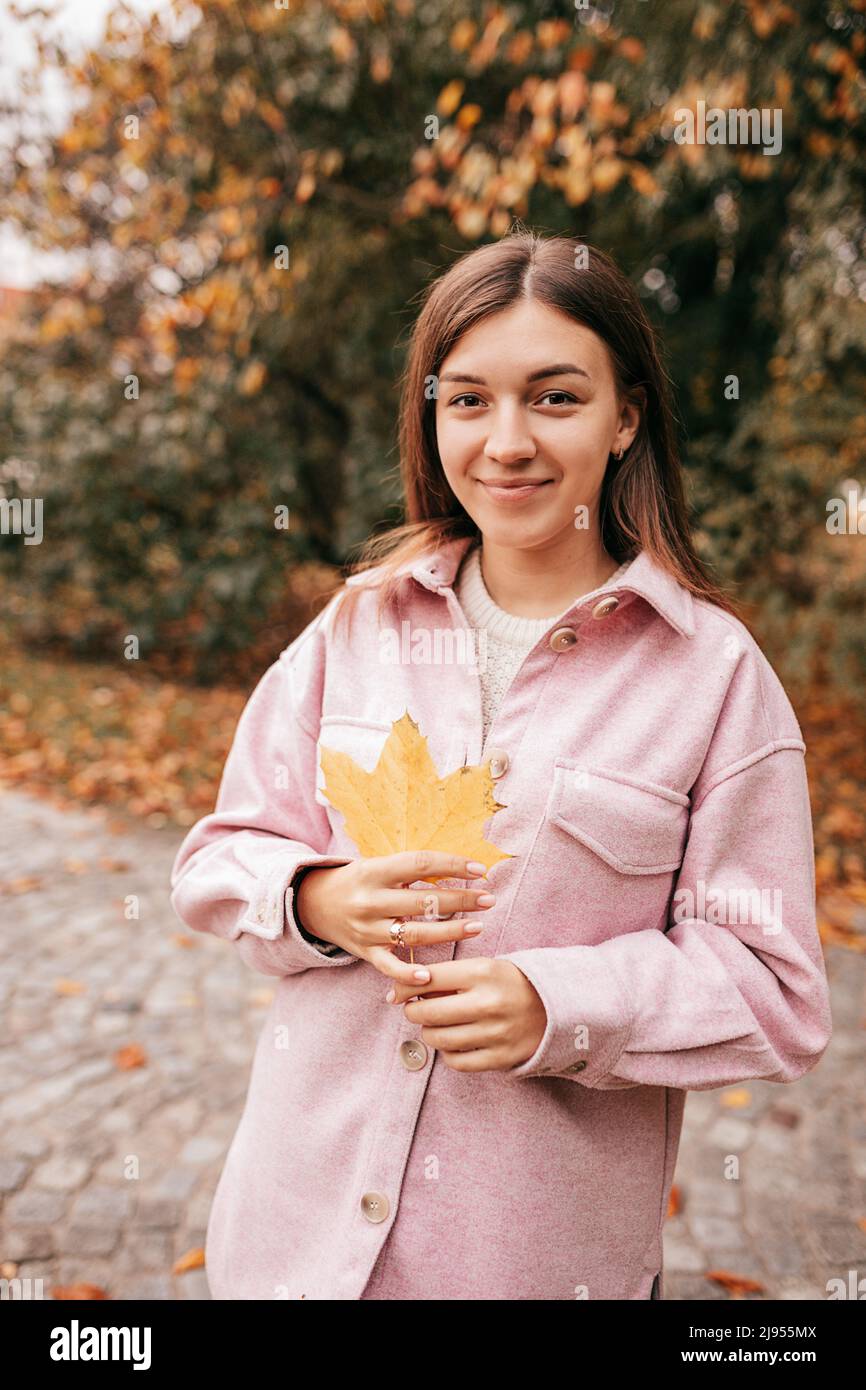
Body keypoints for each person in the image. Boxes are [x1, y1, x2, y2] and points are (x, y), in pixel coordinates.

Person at [169, 231, 832, 1301]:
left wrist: (558, 1005)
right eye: (467, 399)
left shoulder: (713, 678)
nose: (505, 441)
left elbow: (774, 991)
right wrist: (315, 897)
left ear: (625, 418)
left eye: (554, 397)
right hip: (289, 1248)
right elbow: (217, 860)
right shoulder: (355, 626)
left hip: (525, 1268)